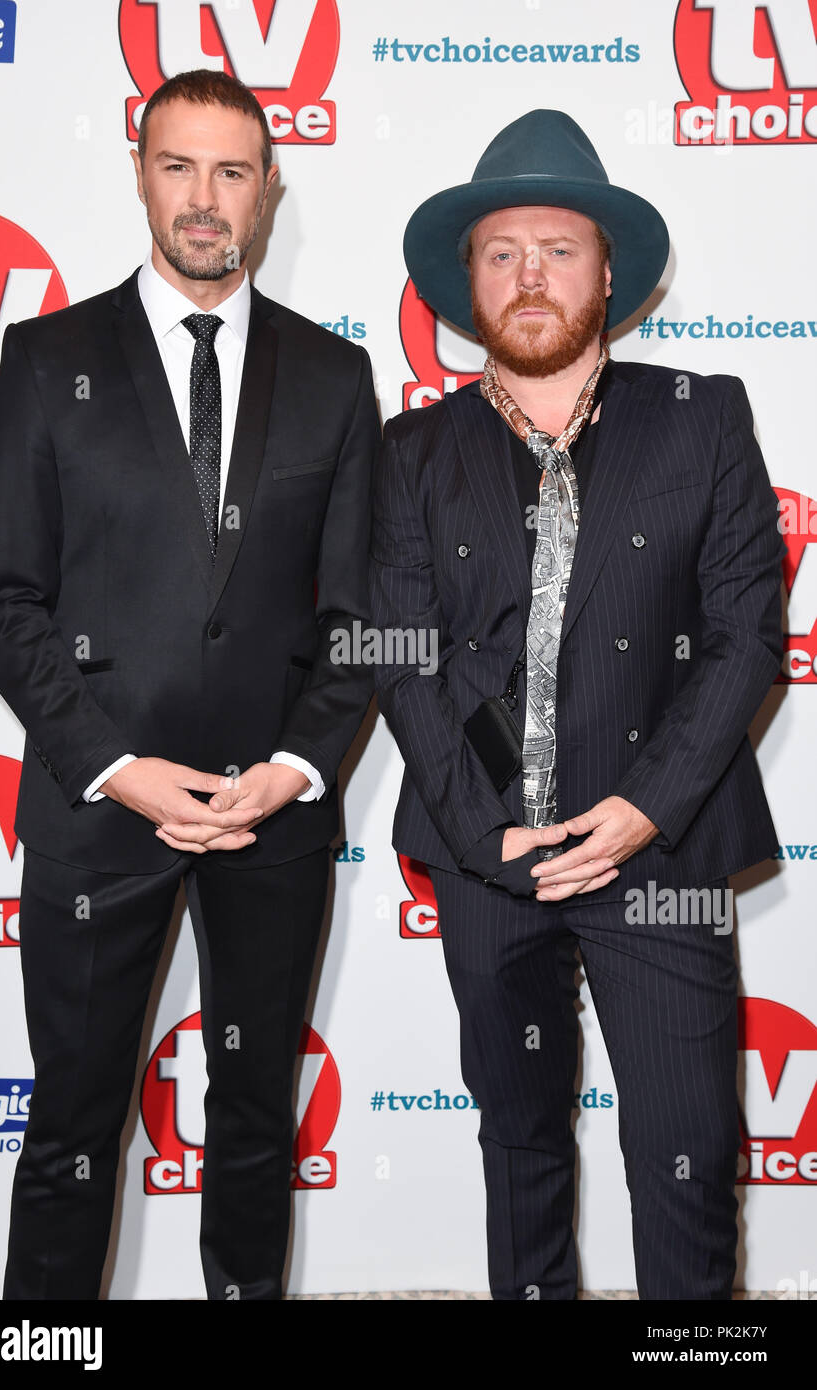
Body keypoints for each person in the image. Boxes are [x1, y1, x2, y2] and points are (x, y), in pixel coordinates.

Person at [0, 69, 379, 1301]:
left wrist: (292, 769)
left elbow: (358, 620)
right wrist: (117, 765)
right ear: (141, 175)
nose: (206, 200)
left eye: (233, 172)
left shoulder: (333, 377)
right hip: (100, 811)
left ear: (270, 190)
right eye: (180, 167)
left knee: (253, 1122)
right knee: (73, 1127)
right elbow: (4, 596)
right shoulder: (45, 358)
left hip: (273, 819)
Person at [370, 109, 783, 1299]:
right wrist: (477, 829)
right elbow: (398, 655)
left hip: (656, 851)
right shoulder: (407, 452)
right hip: (481, 853)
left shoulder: (701, 416)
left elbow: (743, 632)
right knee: (520, 1148)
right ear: (468, 281)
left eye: (558, 248)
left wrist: (641, 811)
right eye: (502, 252)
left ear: (609, 272)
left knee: (691, 1158)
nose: (530, 276)